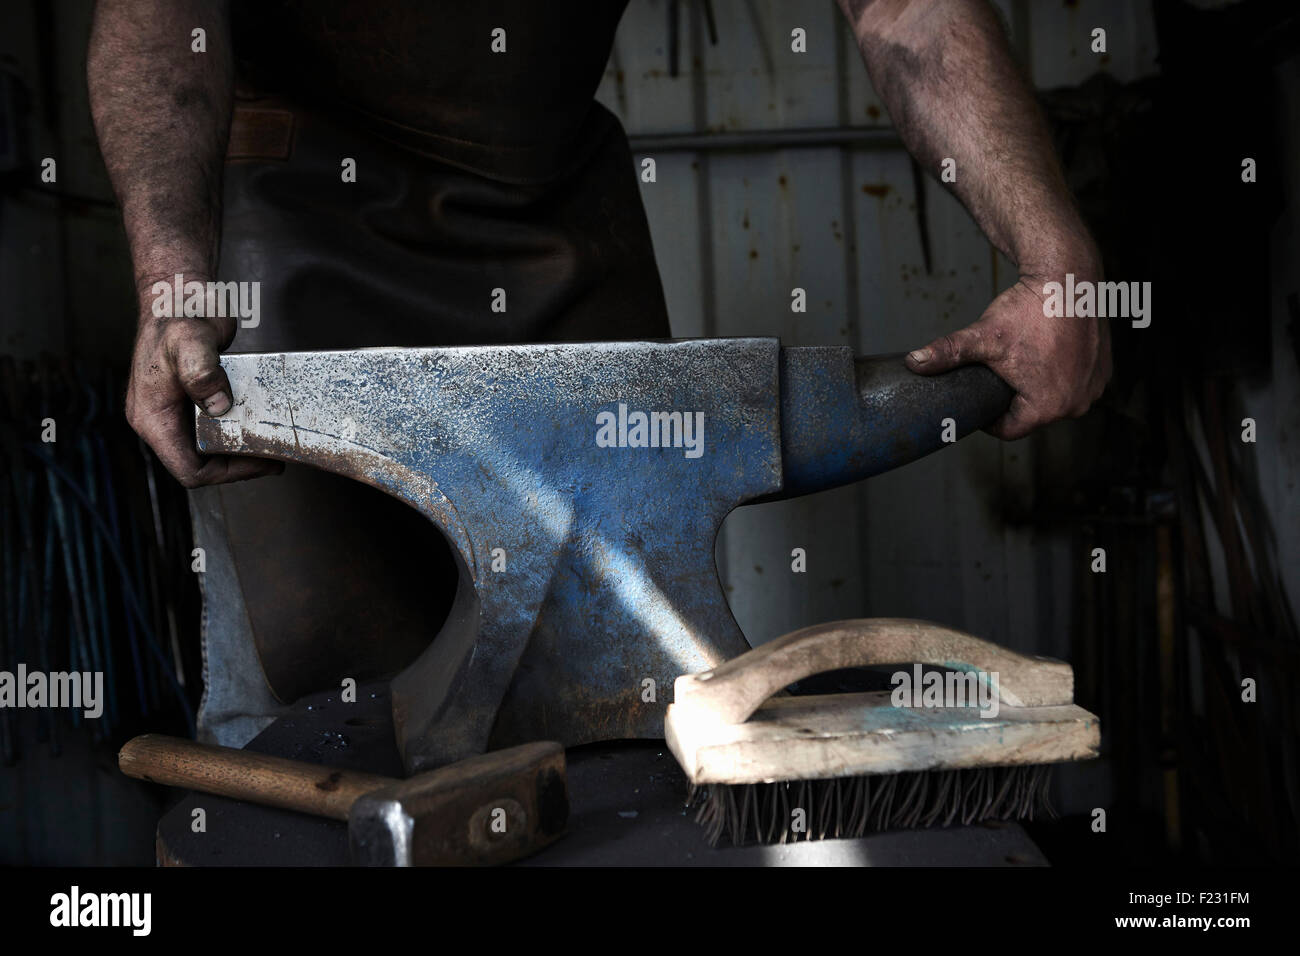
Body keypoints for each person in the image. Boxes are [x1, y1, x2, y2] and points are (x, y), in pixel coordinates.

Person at [87, 0, 1110, 747]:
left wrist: (1052, 258)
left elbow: (909, 9)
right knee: (331, 693)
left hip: (551, 205)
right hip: (301, 195)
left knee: (622, 685)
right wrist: (173, 271)